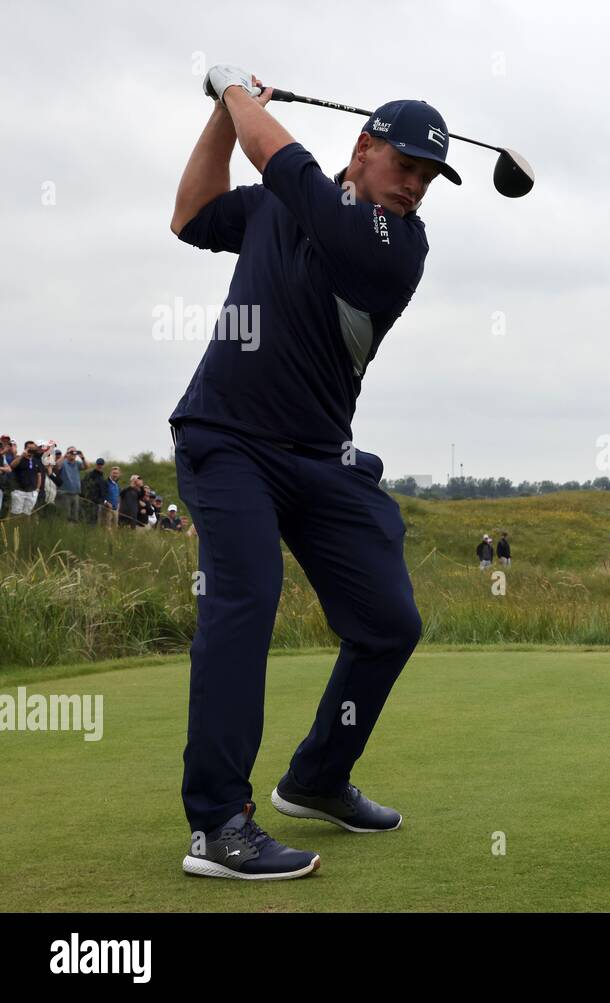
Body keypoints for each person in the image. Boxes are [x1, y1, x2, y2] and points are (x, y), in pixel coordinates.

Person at [169, 66, 457, 879]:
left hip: (320, 458)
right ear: (362, 148)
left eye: (429, 177)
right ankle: (219, 822)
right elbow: (189, 213)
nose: (416, 187)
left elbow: (281, 160)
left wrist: (234, 93)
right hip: (226, 439)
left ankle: (319, 776)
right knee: (245, 598)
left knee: (389, 621)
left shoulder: (395, 248)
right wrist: (229, 119)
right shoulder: (276, 210)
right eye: (405, 166)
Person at [6, 442, 45, 516]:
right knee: (15, 513)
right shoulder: (20, 458)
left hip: (32, 492)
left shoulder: (35, 461)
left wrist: (37, 489)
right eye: (30, 448)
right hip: (19, 491)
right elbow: (12, 465)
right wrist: (22, 455)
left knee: (27, 514)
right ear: (25, 448)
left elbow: (39, 475)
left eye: (33, 448)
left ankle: (25, 527)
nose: (32, 450)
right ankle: (14, 527)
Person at [54, 448, 88, 523]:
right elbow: (56, 466)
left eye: (74, 453)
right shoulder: (63, 462)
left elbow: (86, 467)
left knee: (74, 518)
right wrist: (65, 455)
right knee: (65, 516)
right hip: (64, 493)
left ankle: (72, 532)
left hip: (75, 494)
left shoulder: (77, 463)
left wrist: (82, 457)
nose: (73, 454)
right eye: (71, 452)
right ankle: (64, 531)